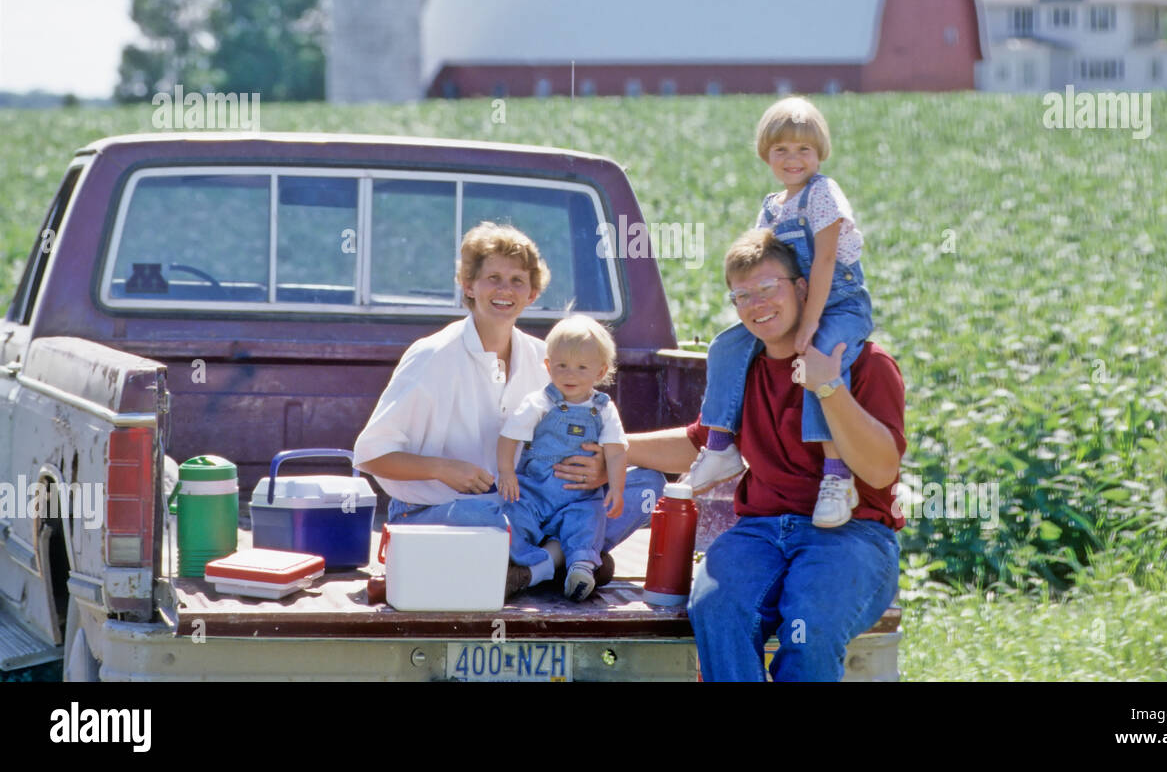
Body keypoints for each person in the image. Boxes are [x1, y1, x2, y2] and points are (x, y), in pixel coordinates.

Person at [556, 229, 904, 681]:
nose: (757, 304)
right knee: (715, 607)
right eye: (743, 295)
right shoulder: (744, 367)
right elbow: (699, 442)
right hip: (759, 532)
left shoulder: (863, 362)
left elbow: (880, 471)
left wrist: (829, 386)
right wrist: (614, 453)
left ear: (802, 288)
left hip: (851, 536)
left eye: (768, 288)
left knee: (811, 627)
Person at [353, 221, 663, 599]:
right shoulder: (432, 356)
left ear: (532, 293)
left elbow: (579, 431)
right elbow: (370, 456)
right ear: (469, 285)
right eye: (493, 278)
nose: (505, 290)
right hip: (442, 512)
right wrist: (442, 469)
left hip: (528, 503)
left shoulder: (545, 358)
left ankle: (537, 563)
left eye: (518, 280)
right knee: (487, 517)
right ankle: (563, 559)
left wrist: (596, 473)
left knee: (647, 486)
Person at [687, 97, 874, 528]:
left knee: (819, 360)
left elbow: (825, 260)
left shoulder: (822, 194)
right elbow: (760, 257)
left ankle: (836, 475)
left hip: (838, 303)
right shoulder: (772, 206)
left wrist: (810, 322)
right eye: (782, 150)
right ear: (766, 155)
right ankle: (719, 445)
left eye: (803, 150)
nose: (793, 159)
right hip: (794, 303)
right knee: (727, 345)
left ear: (820, 153)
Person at [497, 316, 628, 601]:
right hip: (534, 487)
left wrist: (616, 488)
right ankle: (520, 560)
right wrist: (506, 472)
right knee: (512, 515)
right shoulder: (539, 402)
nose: (571, 375)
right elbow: (510, 437)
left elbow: (616, 451)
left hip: (579, 495)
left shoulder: (603, 409)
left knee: (589, 519)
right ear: (548, 366)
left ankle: (580, 568)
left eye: (582, 367)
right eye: (562, 366)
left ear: (600, 371)